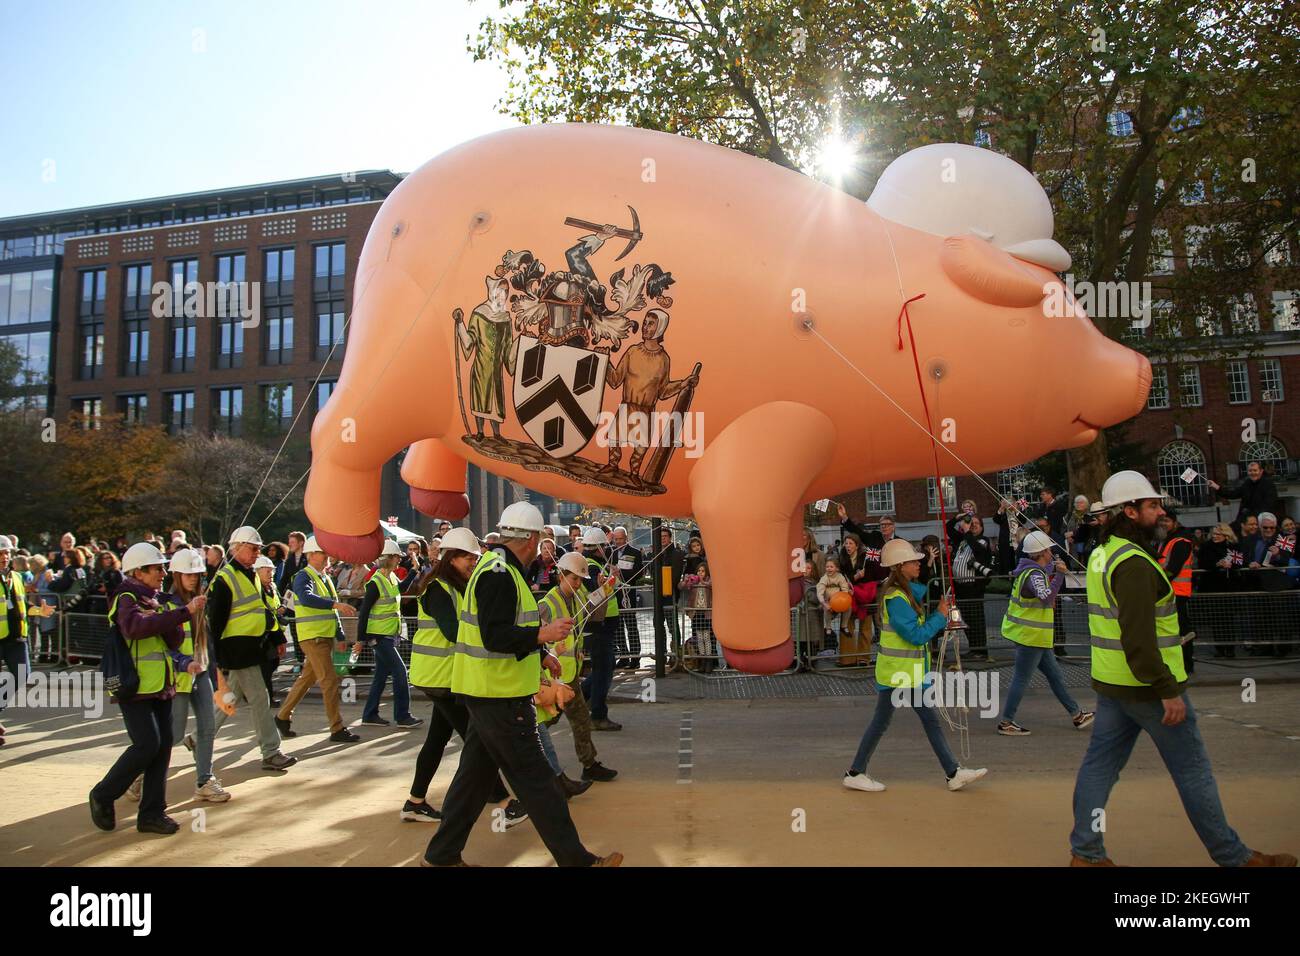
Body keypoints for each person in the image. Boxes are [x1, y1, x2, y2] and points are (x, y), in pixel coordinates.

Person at [1069, 471, 1294, 867]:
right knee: (1194, 773)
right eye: (1152, 505)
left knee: (1099, 769)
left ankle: (1085, 854)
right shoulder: (1133, 562)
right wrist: (1167, 689)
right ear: (1129, 511)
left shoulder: (1104, 553)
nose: (1161, 512)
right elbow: (1137, 638)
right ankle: (1235, 859)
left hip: (1113, 685)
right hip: (1150, 689)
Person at [422, 501, 621, 867]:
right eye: (540, 538)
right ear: (530, 539)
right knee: (538, 781)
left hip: (486, 691)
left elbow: (499, 631)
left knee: (472, 781)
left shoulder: (496, 568)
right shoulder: (500, 573)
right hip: (499, 695)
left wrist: (538, 649)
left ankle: (441, 856)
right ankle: (579, 862)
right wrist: (541, 636)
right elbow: (496, 635)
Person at [842, 538, 988, 793]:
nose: (918, 564)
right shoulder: (897, 598)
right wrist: (941, 617)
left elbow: (918, 602)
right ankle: (952, 772)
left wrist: (937, 609)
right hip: (901, 674)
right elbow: (917, 635)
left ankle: (857, 772)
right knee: (918, 722)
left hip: (901, 673)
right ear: (900, 566)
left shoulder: (899, 594)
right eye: (913, 561)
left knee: (888, 723)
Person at [401, 528, 522, 826]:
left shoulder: (454, 586)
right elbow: (453, 632)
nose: (472, 562)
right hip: (441, 678)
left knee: (440, 739)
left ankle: (415, 802)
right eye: (467, 556)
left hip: (444, 677)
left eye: (474, 556)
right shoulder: (438, 588)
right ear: (451, 558)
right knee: (480, 740)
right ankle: (505, 801)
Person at [88, 543, 205, 834]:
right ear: (138, 571)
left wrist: (177, 612)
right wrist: (181, 612)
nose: (162, 573)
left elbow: (173, 640)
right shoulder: (125, 597)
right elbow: (134, 628)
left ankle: (152, 813)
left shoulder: (158, 599)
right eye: (157, 568)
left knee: (162, 747)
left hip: (161, 685)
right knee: (147, 745)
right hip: (135, 687)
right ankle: (103, 793)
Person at [209, 526, 298, 771]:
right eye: (253, 548)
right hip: (237, 650)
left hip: (250, 647)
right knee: (260, 698)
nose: (257, 553)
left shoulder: (251, 575)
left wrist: (278, 637)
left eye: (259, 549)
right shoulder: (225, 578)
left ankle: (199, 738)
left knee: (233, 699)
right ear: (236, 548)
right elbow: (215, 621)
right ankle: (271, 751)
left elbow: (263, 611)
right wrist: (215, 656)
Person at [995, 530, 1094, 736]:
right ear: (1041, 552)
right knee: (1021, 679)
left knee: (1055, 676)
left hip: (1034, 636)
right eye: (1048, 549)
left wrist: (1054, 569)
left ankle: (1077, 714)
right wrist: (1059, 575)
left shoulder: (1029, 569)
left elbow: (1043, 575)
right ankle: (1006, 721)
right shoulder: (1034, 574)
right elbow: (1047, 597)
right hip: (1031, 637)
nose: (1051, 553)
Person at [537, 550, 619, 791]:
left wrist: (605, 589)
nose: (578, 583)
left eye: (581, 579)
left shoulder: (579, 594)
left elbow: (593, 613)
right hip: (552, 676)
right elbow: (535, 638)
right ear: (561, 575)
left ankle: (589, 763)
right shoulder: (547, 604)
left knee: (580, 719)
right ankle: (536, 765)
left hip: (569, 674)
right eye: (574, 578)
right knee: (545, 723)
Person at [157, 548, 229, 802]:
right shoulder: (167, 605)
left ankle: (204, 780)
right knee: (174, 733)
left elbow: (206, 643)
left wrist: (213, 672)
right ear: (176, 575)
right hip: (178, 677)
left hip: (201, 674)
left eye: (196, 574)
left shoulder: (201, 603)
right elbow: (163, 646)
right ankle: (143, 775)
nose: (193, 579)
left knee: (207, 728)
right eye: (187, 574)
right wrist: (183, 663)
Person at [276, 535, 361, 742]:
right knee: (329, 681)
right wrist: (336, 605)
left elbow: (332, 612)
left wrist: (339, 635)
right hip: (313, 637)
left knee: (307, 679)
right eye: (323, 553)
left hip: (321, 636)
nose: (327, 557)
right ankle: (337, 728)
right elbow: (307, 598)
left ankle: (282, 716)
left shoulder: (324, 578)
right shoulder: (303, 577)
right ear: (311, 555)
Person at [358, 539, 423, 728]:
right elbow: (364, 612)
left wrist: (414, 570)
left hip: (387, 635)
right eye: (396, 557)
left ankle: (370, 714)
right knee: (400, 672)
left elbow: (400, 589)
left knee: (380, 675)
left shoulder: (391, 578)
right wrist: (361, 639)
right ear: (389, 558)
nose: (398, 560)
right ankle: (402, 716)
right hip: (379, 637)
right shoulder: (375, 582)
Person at [1, 536, 54, 746]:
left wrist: (40, 610)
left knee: (22, 675)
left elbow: (20, 606)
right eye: (0, 554)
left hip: (16, 638)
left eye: (6, 553)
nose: (4, 557)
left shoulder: (16, 577)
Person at [578, 527, 623, 731]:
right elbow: (595, 595)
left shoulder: (593, 564)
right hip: (598, 626)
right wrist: (612, 579)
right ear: (598, 547)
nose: (607, 549)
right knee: (603, 669)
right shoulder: (591, 566)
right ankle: (597, 713)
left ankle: (581, 696)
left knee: (605, 666)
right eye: (605, 545)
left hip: (602, 625)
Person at [951, 515, 997, 661]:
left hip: (973, 586)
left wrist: (967, 532)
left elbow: (979, 551)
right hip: (960, 587)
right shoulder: (964, 540)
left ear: (982, 527)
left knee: (976, 618)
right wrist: (957, 517)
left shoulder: (982, 540)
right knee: (966, 619)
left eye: (977, 523)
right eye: (972, 523)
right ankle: (973, 648)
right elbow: (948, 528)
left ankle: (981, 650)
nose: (974, 525)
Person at [1157, 509, 1196, 673]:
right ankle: (1181, 662)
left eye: (1166, 521)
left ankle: (1186, 664)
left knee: (1181, 629)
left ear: (1174, 522)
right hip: (1172, 591)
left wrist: (1158, 584)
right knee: (1175, 629)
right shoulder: (1167, 540)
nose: (1164, 524)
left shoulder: (1180, 541)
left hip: (1177, 592)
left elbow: (1173, 568)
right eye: (1162, 521)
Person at [254, 554, 289, 707]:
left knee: (273, 664)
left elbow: (279, 602)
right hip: (263, 633)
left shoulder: (272, 587)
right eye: (267, 571)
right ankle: (267, 699)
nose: (271, 574)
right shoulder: (256, 589)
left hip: (274, 632)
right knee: (266, 668)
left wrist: (282, 608)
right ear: (258, 572)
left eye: (272, 571)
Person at [609, 526, 645, 668]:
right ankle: (624, 656)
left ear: (626, 538)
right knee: (618, 626)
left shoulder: (635, 552)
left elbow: (639, 573)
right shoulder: (610, 552)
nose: (618, 542)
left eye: (620, 539)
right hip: (613, 594)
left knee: (631, 625)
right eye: (616, 539)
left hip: (628, 594)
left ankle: (635, 658)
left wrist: (621, 572)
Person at [1207, 460, 1280, 525]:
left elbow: (1269, 504)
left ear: (1261, 471)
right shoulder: (1246, 484)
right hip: (1245, 519)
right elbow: (1233, 494)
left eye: (1255, 470)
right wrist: (1216, 487)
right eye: (1250, 471)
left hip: (1262, 521)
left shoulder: (1268, 484)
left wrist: (1254, 516)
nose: (1252, 473)